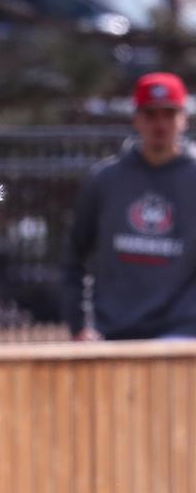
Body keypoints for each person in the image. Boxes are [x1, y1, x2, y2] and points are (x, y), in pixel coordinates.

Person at [63, 72, 196, 341]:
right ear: (136, 119)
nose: (160, 124)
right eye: (150, 115)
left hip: (182, 333)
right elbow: (74, 255)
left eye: (168, 114)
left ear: (185, 119)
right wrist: (80, 325)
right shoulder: (106, 179)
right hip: (112, 331)